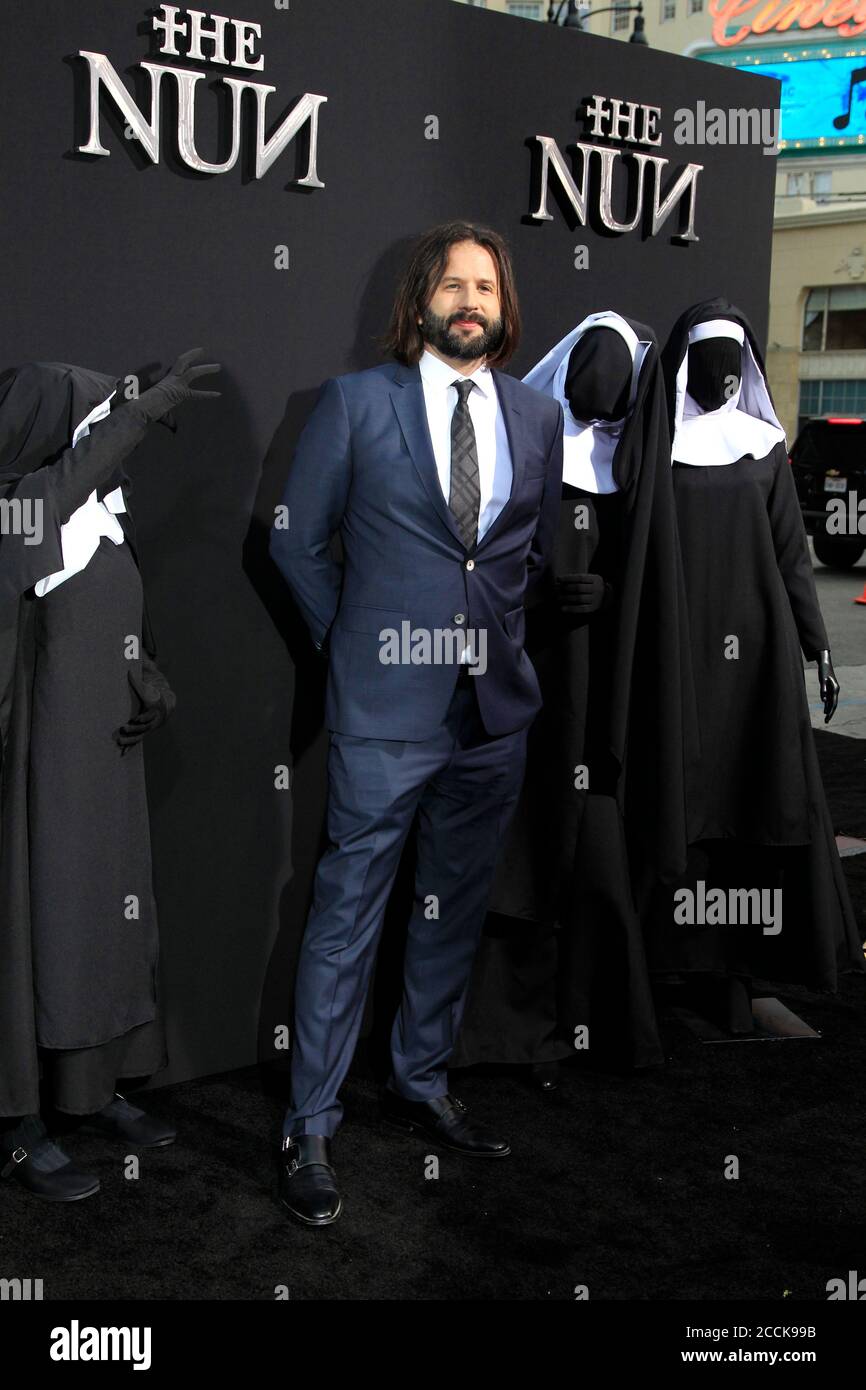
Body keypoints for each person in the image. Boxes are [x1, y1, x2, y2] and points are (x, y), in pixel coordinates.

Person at [270, 220, 564, 1226]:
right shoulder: (355, 404)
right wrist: (353, 646)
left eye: (485, 283)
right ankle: (307, 1121)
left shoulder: (535, 416)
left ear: (504, 303)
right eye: (452, 283)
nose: (470, 298)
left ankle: (421, 1079)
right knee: (345, 917)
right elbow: (296, 546)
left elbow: (517, 561)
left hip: (490, 716)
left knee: (450, 908)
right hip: (385, 708)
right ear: (420, 300)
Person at [0, 350, 220, 1201]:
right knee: (37, 930)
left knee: (104, 924)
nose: (112, 451)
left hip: (107, 763)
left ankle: (91, 1093)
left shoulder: (97, 514)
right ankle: (20, 1122)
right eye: (92, 432)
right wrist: (130, 413)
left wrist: (149, 679)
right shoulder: (20, 510)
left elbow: (115, 615)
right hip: (38, 771)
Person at [452, 311, 692, 1082]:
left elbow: (656, 583)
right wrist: (545, 597)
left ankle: (594, 1018)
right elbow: (479, 559)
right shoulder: (522, 444)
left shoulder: (641, 470)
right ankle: (498, 1030)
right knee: (518, 842)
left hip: (599, 691)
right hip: (530, 672)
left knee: (587, 841)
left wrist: (613, 594)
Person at [646, 299, 863, 1025]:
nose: (722, 376)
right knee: (688, 801)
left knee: (750, 804)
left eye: (730, 362)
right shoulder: (656, 446)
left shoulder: (764, 446)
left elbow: (792, 558)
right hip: (679, 650)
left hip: (757, 658)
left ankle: (738, 969)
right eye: (708, 363)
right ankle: (673, 959)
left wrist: (819, 649)